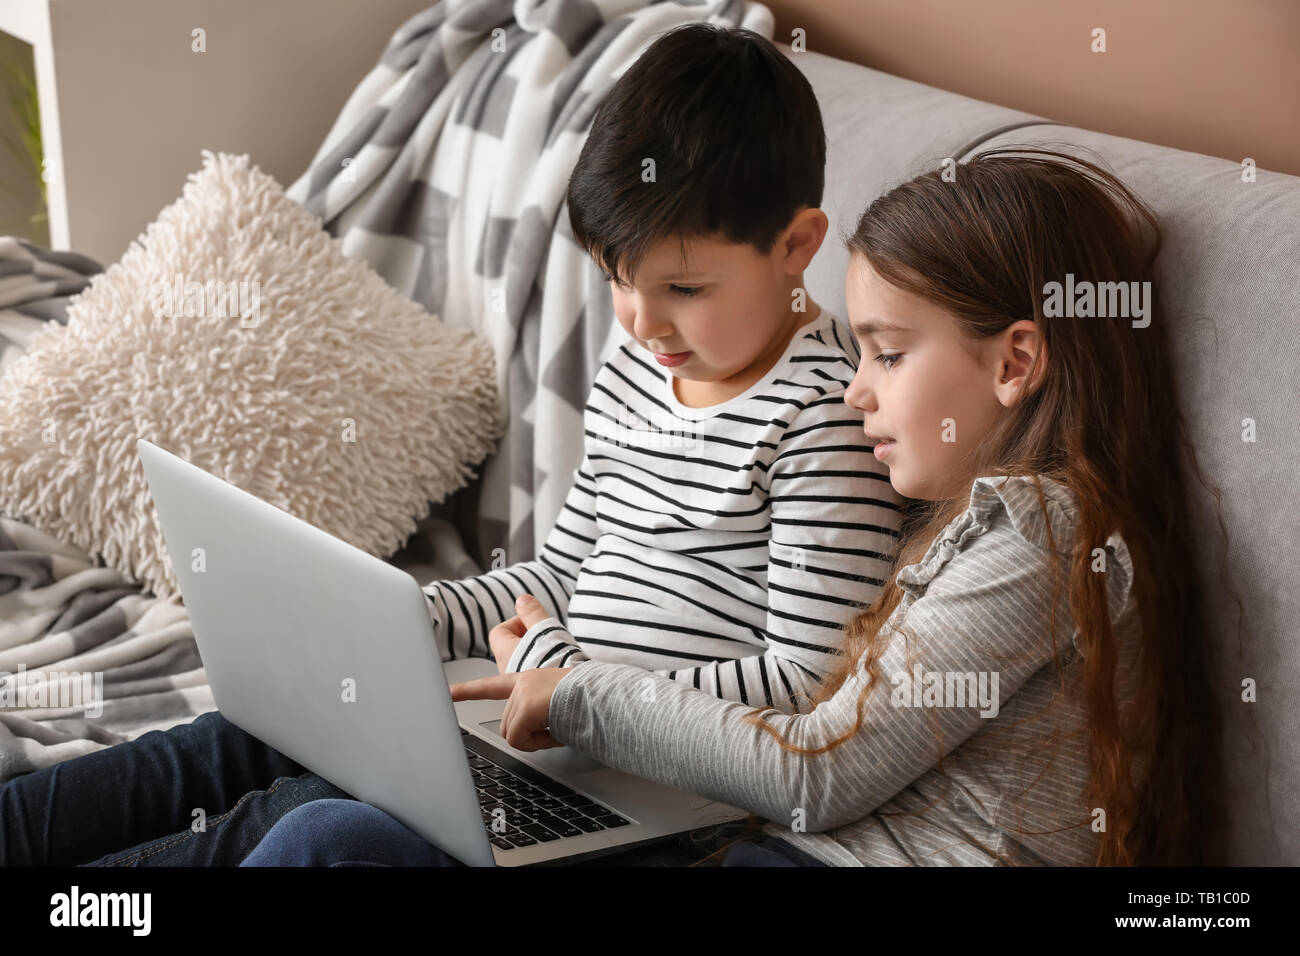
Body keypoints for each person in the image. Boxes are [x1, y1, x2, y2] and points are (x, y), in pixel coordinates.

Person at [0, 23, 901, 867]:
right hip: (542, 737)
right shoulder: (640, 363)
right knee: (238, 735)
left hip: (658, 800)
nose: (643, 319)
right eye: (618, 281)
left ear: (796, 245)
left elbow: (804, 696)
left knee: (318, 830)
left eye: (684, 286)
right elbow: (561, 575)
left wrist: (567, 681)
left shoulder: (825, 420)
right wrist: (405, 625)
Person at [240, 147, 1230, 867]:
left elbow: (818, 770)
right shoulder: (979, 526)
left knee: (334, 839)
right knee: (335, 812)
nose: (854, 386)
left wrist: (574, 688)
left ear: (1015, 360)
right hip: (761, 846)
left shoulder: (1040, 539)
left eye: (887, 351)